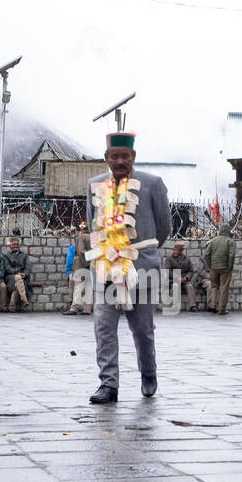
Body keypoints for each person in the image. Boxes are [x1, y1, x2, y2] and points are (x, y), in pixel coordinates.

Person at [87, 131, 169, 404]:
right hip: (105, 268)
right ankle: (108, 384)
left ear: (134, 157)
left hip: (141, 269)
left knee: (143, 329)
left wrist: (139, 252)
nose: (120, 161)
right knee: (104, 327)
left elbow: (164, 228)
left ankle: (148, 373)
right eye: (115, 156)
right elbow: (91, 224)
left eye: (125, 156)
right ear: (106, 158)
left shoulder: (153, 184)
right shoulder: (94, 184)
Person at [205, 222, 235, 316]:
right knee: (224, 288)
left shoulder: (213, 241)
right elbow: (232, 255)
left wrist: (210, 265)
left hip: (214, 267)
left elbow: (207, 254)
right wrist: (230, 266)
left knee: (214, 287)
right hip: (225, 268)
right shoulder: (230, 242)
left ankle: (213, 305)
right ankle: (221, 308)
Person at [63, 222, 92, 316]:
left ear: (81, 230)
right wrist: (91, 263)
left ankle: (74, 308)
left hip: (81, 265)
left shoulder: (81, 238)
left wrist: (85, 263)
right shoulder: (96, 238)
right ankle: (87, 309)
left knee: (78, 287)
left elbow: (81, 251)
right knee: (88, 288)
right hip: (92, 266)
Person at [164, 241, 202, 312]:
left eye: (180, 250)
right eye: (177, 249)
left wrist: (186, 278)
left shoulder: (186, 259)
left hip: (185, 280)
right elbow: (167, 270)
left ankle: (192, 306)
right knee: (175, 286)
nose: (178, 251)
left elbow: (191, 270)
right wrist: (177, 278)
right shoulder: (169, 259)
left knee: (190, 286)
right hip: (174, 280)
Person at [2, 238, 32, 311]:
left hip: (22, 277)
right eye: (14, 244)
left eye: (17, 244)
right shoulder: (6, 256)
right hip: (10, 276)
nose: (16, 246)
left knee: (17, 285)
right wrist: (17, 272)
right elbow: (7, 268)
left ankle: (12, 306)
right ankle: (24, 298)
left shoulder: (24, 255)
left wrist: (25, 274)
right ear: (10, 245)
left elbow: (28, 266)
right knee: (18, 278)